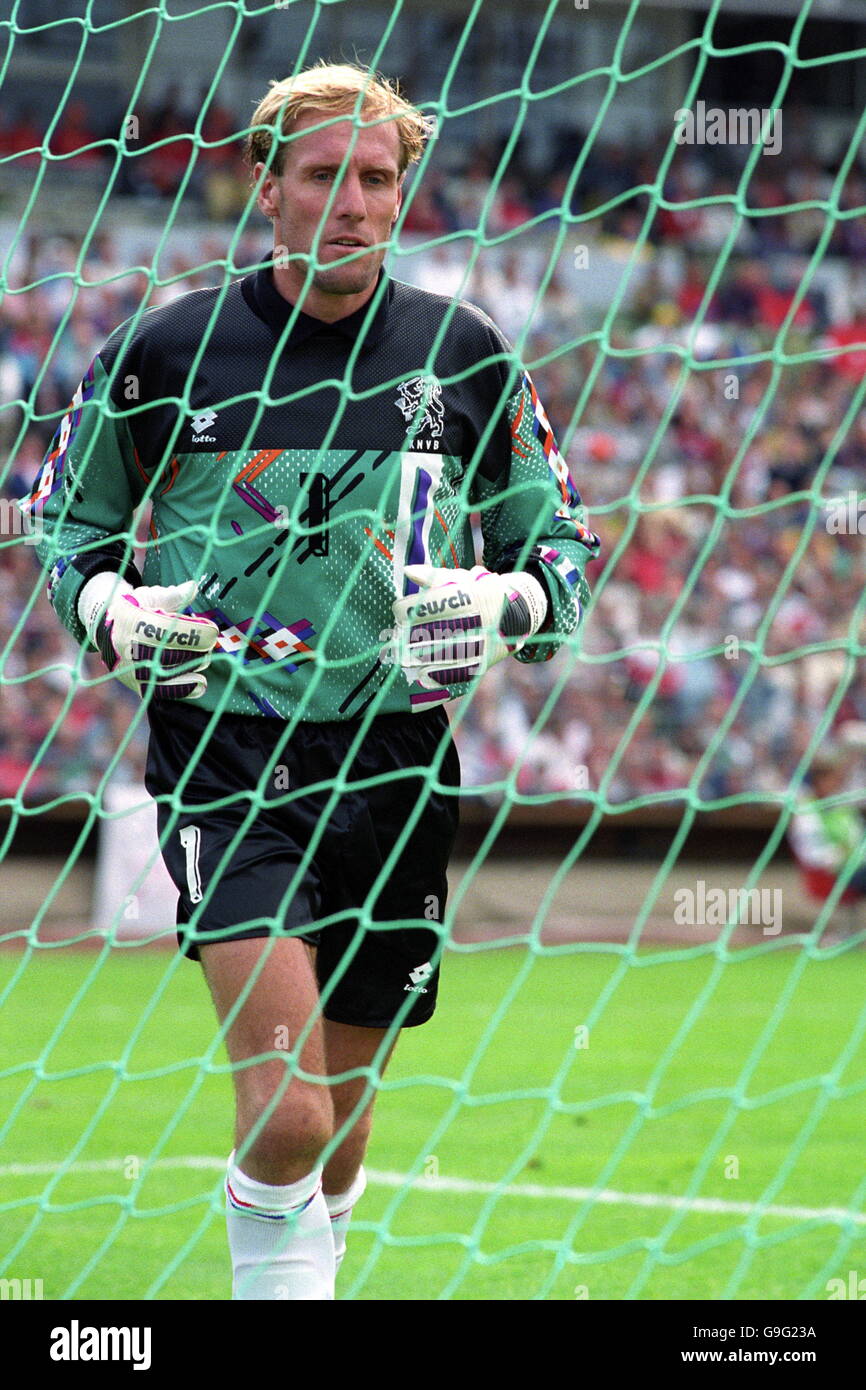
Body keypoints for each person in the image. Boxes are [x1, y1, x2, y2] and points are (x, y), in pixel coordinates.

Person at [24, 62, 601, 1300]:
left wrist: (507, 602)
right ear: (265, 188)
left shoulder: (464, 353)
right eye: (322, 175)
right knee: (286, 1115)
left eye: (375, 179)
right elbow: (62, 524)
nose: (350, 201)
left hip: (395, 762)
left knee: (334, 1132)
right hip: (228, 755)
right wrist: (109, 607)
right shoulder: (164, 351)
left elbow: (559, 541)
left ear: (403, 198)